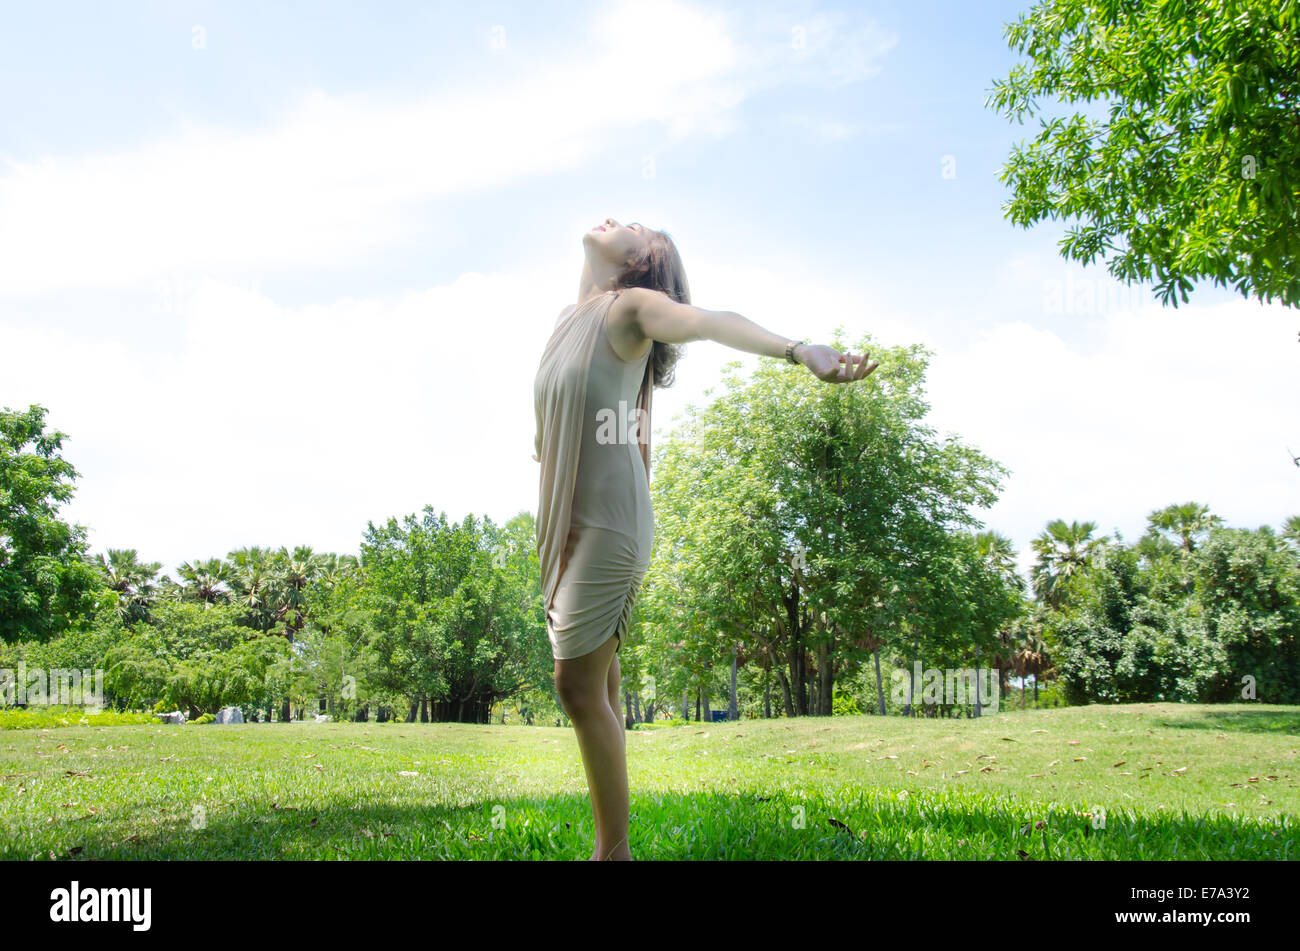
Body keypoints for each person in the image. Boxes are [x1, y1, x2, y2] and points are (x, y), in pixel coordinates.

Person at [533, 217, 877, 860]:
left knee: (576, 687)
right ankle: (613, 847)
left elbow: (710, 321)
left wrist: (799, 351)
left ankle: (614, 854)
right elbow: (619, 429)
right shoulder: (567, 322)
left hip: (611, 521)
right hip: (576, 519)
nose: (618, 221)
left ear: (642, 267)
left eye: (634, 230)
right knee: (598, 685)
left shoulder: (633, 308)